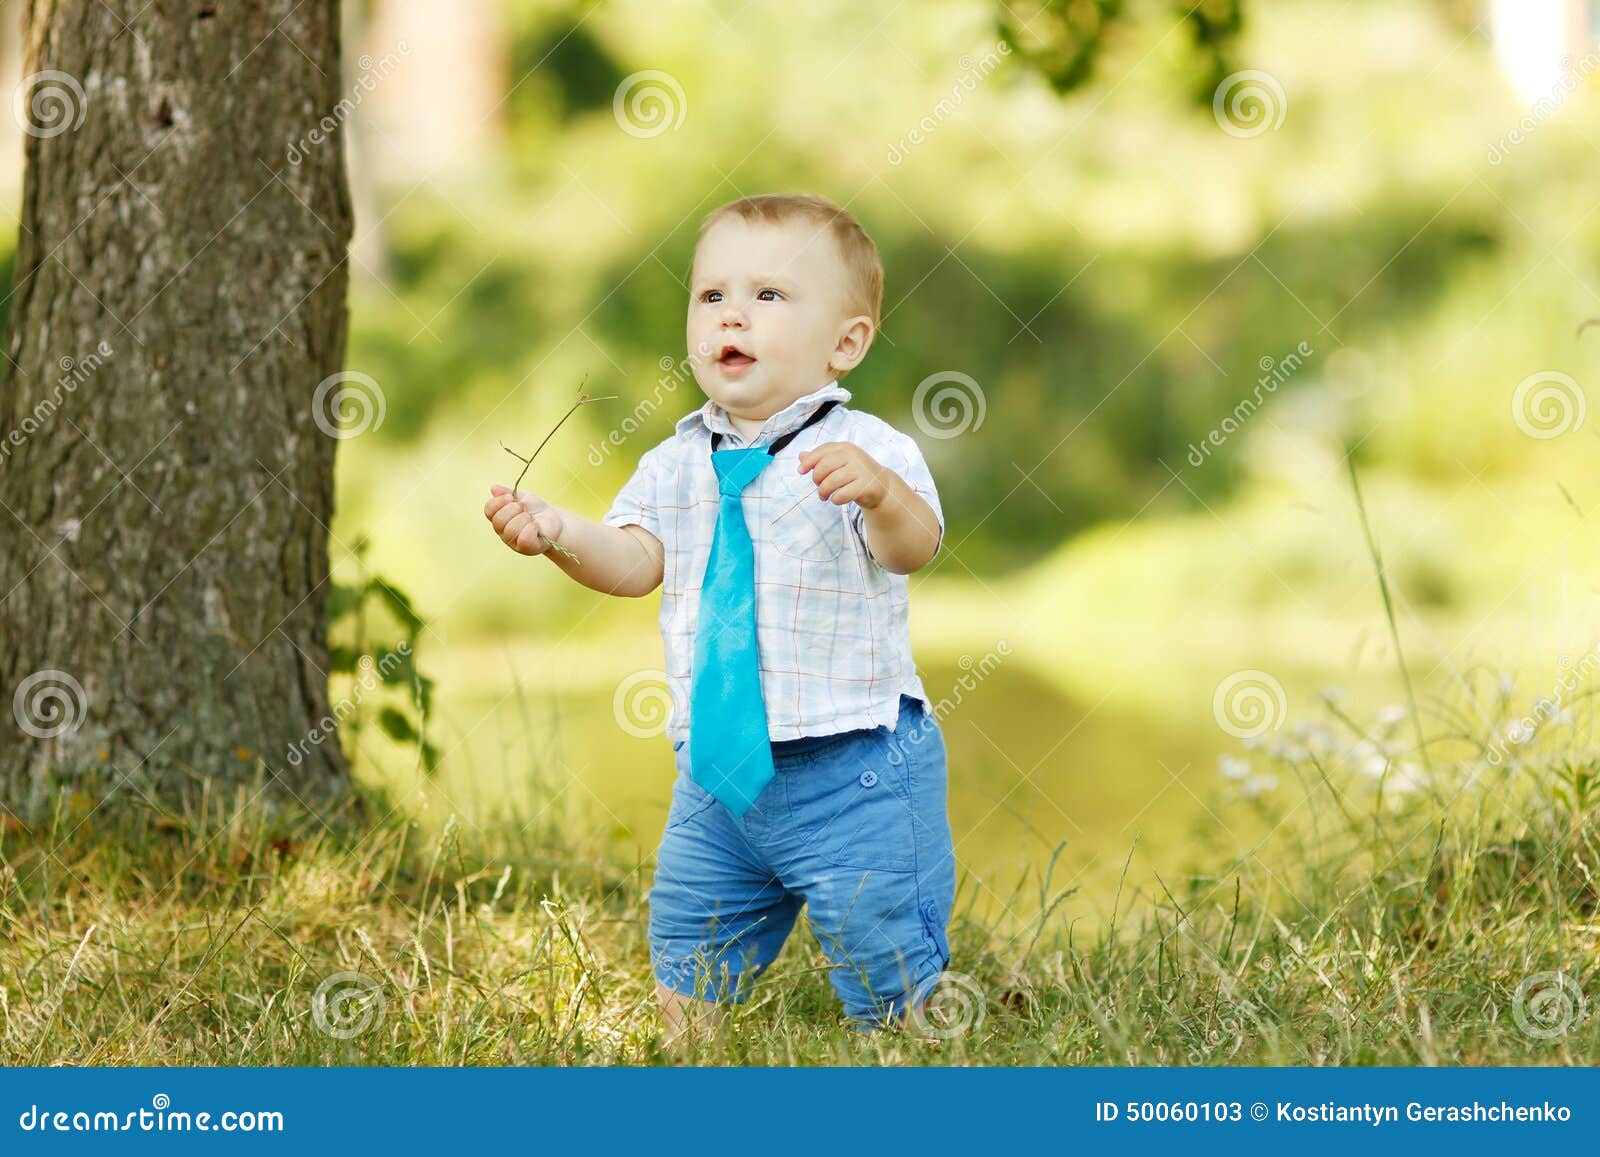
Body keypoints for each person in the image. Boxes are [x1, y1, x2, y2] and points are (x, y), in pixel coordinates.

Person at [484, 192, 954, 1046]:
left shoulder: (867, 450)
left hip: (854, 769)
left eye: (769, 297)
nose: (732, 313)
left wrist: (883, 496)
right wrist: (559, 533)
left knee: (883, 952)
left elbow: (912, 549)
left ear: (845, 341)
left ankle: (909, 1044)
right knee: (687, 939)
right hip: (717, 775)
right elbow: (634, 560)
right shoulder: (673, 462)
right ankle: (690, 1052)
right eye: (712, 296)